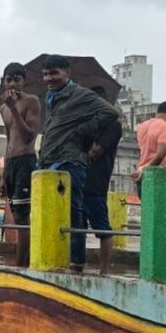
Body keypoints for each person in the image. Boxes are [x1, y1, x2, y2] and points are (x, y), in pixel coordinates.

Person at [37, 54, 120, 273]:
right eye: (45, 74)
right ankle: (54, 260)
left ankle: (77, 264)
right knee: (47, 214)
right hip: (49, 160)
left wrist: (80, 130)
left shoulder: (80, 94)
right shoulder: (51, 97)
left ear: (67, 72)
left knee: (74, 214)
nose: (49, 78)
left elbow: (110, 113)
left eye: (54, 73)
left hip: (70, 161)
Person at [0, 62, 41, 267]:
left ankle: (22, 265)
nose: (13, 83)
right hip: (11, 164)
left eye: (17, 79)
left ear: (24, 81)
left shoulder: (32, 101)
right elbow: (9, 140)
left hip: (26, 161)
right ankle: (22, 261)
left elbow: (28, 136)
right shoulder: (3, 108)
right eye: (9, 79)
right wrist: (4, 171)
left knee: (23, 217)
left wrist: (15, 109)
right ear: (4, 81)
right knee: (15, 215)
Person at [83, 86, 123, 276]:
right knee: (75, 227)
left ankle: (104, 271)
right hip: (77, 180)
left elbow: (96, 151)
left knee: (102, 228)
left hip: (96, 182)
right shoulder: (85, 123)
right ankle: (77, 265)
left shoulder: (113, 125)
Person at [131, 101, 166, 194]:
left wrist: (142, 170)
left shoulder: (142, 126)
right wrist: (146, 171)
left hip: (141, 174)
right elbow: (160, 155)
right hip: (159, 175)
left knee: (146, 207)